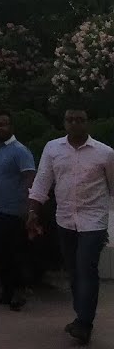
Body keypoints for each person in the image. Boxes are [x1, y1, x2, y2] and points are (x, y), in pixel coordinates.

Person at [27, 107, 114, 345]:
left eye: (80, 120)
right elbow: (42, 180)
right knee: (74, 272)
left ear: (88, 122)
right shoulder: (53, 149)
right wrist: (33, 212)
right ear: (64, 122)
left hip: (93, 222)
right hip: (64, 219)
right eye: (70, 119)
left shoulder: (105, 153)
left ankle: (85, 323)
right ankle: (81, 316)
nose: (75, 124)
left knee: (86, 269)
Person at [0, 109, 36, 311]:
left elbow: (30, 178)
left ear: (11, 127)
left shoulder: (20, 151)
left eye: (3, 124)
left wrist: (31, 210)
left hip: (13, 211)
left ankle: (19, 292)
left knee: (14, 254)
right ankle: (5, 292)